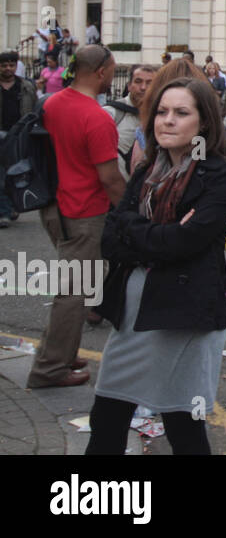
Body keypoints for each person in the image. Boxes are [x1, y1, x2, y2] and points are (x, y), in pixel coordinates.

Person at [88, 76, 226, 454]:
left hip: (185, 314)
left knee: (183, 426)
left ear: (203, 122)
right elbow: (110, 239)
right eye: (161, 111)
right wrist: (160, 235)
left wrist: (139, 232)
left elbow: (186, 244)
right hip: (134, 310)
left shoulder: (219, 175)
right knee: (106, 418)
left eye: (181, 113)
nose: (167, 120)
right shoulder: (145, 171)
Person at [26, 46, 125, 389]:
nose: (113, 77)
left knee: (78, 286)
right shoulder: (97, 117)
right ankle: (50, 368)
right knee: (74, 294)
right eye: (113, 71)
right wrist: (132, 212)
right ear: (101, 72)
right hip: (83, 211)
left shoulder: (52, 103)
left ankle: (62, 352)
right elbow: (110, 177)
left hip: (54, 207)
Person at [0, 50, 38, 221]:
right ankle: (5, 211)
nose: (8, 69)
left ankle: (12, 206)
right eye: (4, 66)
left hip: (18, 136)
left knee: (14, 174)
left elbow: (35, 111)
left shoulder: (27, 86)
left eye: (11, 65)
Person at [103, 64, 157, 180]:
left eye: (149, 83)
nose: (143, 87)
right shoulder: (111, 113)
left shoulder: (161, 117)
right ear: (129, 86)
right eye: (138, 81)